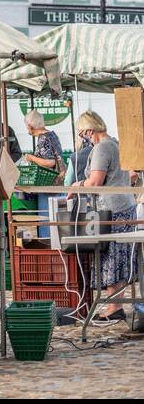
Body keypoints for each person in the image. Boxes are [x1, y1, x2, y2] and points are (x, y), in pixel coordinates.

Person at [69, 111, 137, 320]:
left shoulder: (102, 148)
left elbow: (96, 181)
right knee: (120, 257)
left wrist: (78, 185)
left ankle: (114, 307)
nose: (83, 138)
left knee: (111, 257)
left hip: (111, 210)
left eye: (82, 133)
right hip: (125, 206)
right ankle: (115, 305)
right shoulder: (116, 144)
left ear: (90, 131)